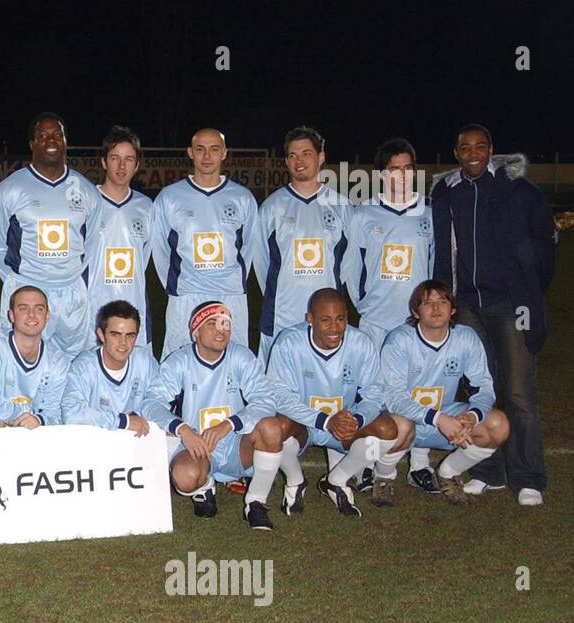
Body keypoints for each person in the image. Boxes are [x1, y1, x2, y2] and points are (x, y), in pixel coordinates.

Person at [430, 124, 557, 507]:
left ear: (491, 150)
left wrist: (529, 290)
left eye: (480, 146)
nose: (473, 152)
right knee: (477, 389)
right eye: (465, 146)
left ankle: (528, 476)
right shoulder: (446, 193)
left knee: (518, 391)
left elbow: (546, 244)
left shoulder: (518, 189)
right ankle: (489, 472)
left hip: (510, 305)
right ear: (456, 152)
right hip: (467, 305)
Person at [342, 137, 435, 494]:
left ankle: (420, 464)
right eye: (393, 169)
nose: (401, 175)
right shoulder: (364, 213)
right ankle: (367, 463)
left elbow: (436, 265)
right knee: (373, 393)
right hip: (377, 321)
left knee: (421, 390)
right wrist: (364, 304)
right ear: (381, 174)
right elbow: (352, 268)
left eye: (408, 168)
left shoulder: (429, 212)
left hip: (418, 324)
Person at [142, 301, 283, 531]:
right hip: (197, 445)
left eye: (225, 324)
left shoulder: (241, 357)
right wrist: (183, 430)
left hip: (236, 443)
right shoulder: (180, 361)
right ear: (195, 331)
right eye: (212, 323)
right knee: (185, 478)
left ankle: (256, 501)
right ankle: (205, 486)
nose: (221, 329)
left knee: (272, 428)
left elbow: (266, 399)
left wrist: (229, 424)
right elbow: (151, 403)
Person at [268, 288, 407, 515]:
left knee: (388, 430)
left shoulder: (360, 343)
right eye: (326, 320)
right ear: (310, 319)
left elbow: (374, 393)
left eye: (340, 319)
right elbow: (279, 396)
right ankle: (295, 481)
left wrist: (356, 418)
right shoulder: (289, 343)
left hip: (345, 424)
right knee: (274, 429)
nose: (335, 328)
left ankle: (336, 480)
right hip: (303, 423)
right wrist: (324, 421)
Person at [375, 280, 511, 505]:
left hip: (445, 417)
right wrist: (439, 419)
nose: (436, 308)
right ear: (415, 312)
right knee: (399, 426)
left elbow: (483, 386)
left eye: (442, 301)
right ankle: (384, 478)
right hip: (406, 421)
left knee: (498, 424)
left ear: (453, 309)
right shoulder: (399, 340)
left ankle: (448, 473)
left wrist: (472, 416)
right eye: (427, 303)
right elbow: (393, 397)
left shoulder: (465, 338)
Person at [0, 113, 100, 359]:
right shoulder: (9, 190)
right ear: (32, 143)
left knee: (74, 366)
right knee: (21, 364)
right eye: (43, 135)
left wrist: (72, 277)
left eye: (57, 135)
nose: (51, 140)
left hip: (70, 294)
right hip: (27, 291)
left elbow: (91, 246)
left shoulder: (87, 191)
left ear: (66, 142)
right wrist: (19, 282)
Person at [150, 128, 260, 359]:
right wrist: (177, 285)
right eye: (200, 149)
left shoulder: (242, 198)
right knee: (179, 364)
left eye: (214, 149)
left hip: (230, 296)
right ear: (190, 153)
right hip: (186, 296)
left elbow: (250, 248)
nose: (206, 156)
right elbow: (159, 249)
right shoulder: (170, 197)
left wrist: (232, 280)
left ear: (224, 153)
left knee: (232, 364)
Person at [251, 126, 351, 361]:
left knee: (324, 388)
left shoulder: (341, 206)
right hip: (281, 317)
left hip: (327, 320)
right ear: (286, 162)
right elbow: (260, 262)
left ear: (321, 157)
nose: (299, 161)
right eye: (293, 155)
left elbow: (348, 264)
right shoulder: (272, 207)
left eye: (306, 153)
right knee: (276, 390)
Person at [86, 127, 155, 350]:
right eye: (115, 158)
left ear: (137, 165)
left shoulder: (146, 207)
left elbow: (146, 256)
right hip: (92, 305)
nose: (121, 166)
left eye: (129, 159)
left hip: (132, 300)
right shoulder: (87, 201)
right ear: (104, 162)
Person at [0, 286, 70, 428]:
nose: (31, 315)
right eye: (23, 308)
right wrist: (27, 414)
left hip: (33, 426)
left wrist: (39, 420)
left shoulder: (58, 361)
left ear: (47, 316)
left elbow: (55, 414)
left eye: (39, 309)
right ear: (11, 315)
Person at [62, 300, 158, 434]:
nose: (123, 343)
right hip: (95, 443)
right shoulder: (84, 366)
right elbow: (71, 414)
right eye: (115, 335)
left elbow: (159, 401)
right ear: (101, 335)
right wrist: (123, 421)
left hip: (136, 442)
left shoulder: (144, 361)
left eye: (130, 336)